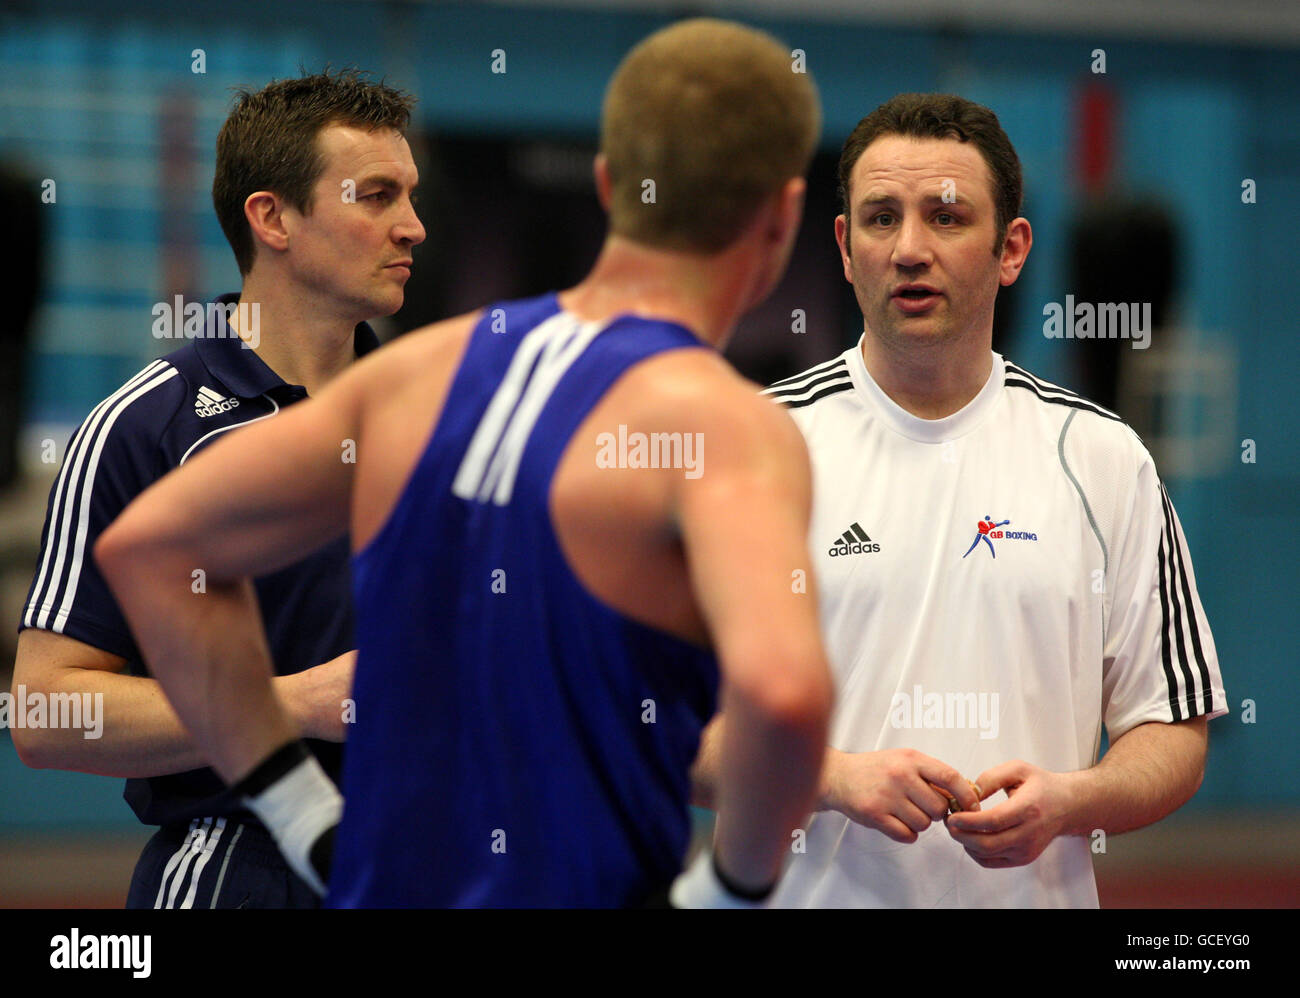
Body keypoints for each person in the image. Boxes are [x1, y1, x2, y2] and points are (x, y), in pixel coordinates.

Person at [95, 18, 834, 908]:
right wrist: (729, 890)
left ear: (609, 185)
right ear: (786, 215)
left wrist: (297, 813)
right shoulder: (724, 423)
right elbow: (784, 692)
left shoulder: (419, 371)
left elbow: (152, 550)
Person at [693, 92, 1226, 907]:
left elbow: (1174, 727)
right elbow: (656, 726)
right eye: (879, 218)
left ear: (1011, 249)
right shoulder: (755, 449)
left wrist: (1073, 801)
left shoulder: (1101, 457)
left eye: (945, 218)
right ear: (843, 245)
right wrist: (829, 779)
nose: (908, 249)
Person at [12, 69, 425, 908]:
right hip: (243, 871)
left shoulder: (440, 418)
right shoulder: (145, 427)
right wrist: (293, 705)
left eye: (410, 196)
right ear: (272, 218)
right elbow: (44, 711)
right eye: (376, 196)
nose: (413, 228)